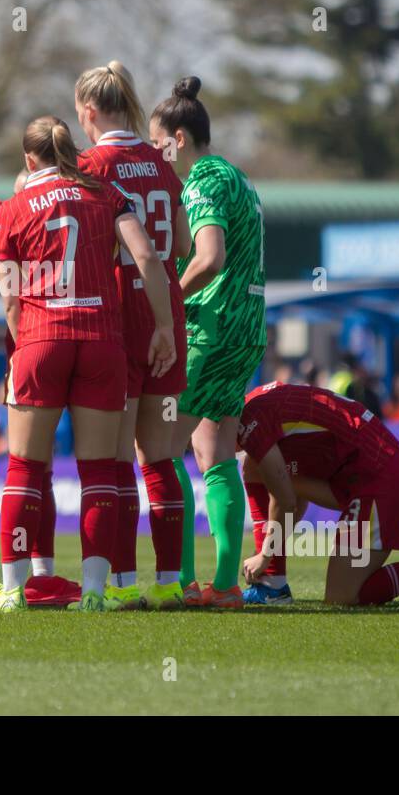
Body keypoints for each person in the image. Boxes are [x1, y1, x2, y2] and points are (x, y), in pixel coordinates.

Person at [0, 115, 176, 613]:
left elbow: (8, 297)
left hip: (40, 339)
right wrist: (164, 327)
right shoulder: (105, 194)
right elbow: (148, 258)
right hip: (100, 340)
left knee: (24, 468)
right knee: (100, 471)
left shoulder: (13, 206)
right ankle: (94, 592)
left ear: (30, 159)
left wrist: (22, 347)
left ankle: (12, 591)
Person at [75, 61, 190, 611]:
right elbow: (185, 245)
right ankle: (170, 581)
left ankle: (120, 584)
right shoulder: (163, 162)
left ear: (90, 112)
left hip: (118, 314)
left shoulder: (90, 164)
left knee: (116, 456)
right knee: (161, 456)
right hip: (167, 315)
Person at [149, 76, 266, 608]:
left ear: (177, 137)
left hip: (209, 326)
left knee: (159, 445)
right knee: (213, 449)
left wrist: (166, 298)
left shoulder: (200, 181)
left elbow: (210, 256)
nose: (156, 155)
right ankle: (224, 586)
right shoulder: (239, 178)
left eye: (156, 144)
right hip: (245, 328)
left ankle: (181, 580)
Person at [237, 382, 399, 607]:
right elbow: (291, 496)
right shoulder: (255, 406)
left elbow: (285, 499)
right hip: (364, 479)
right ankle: (272, 586)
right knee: (254, 468)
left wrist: (266, 554)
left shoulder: (251, 422)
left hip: (381, 481)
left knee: (342, 597)